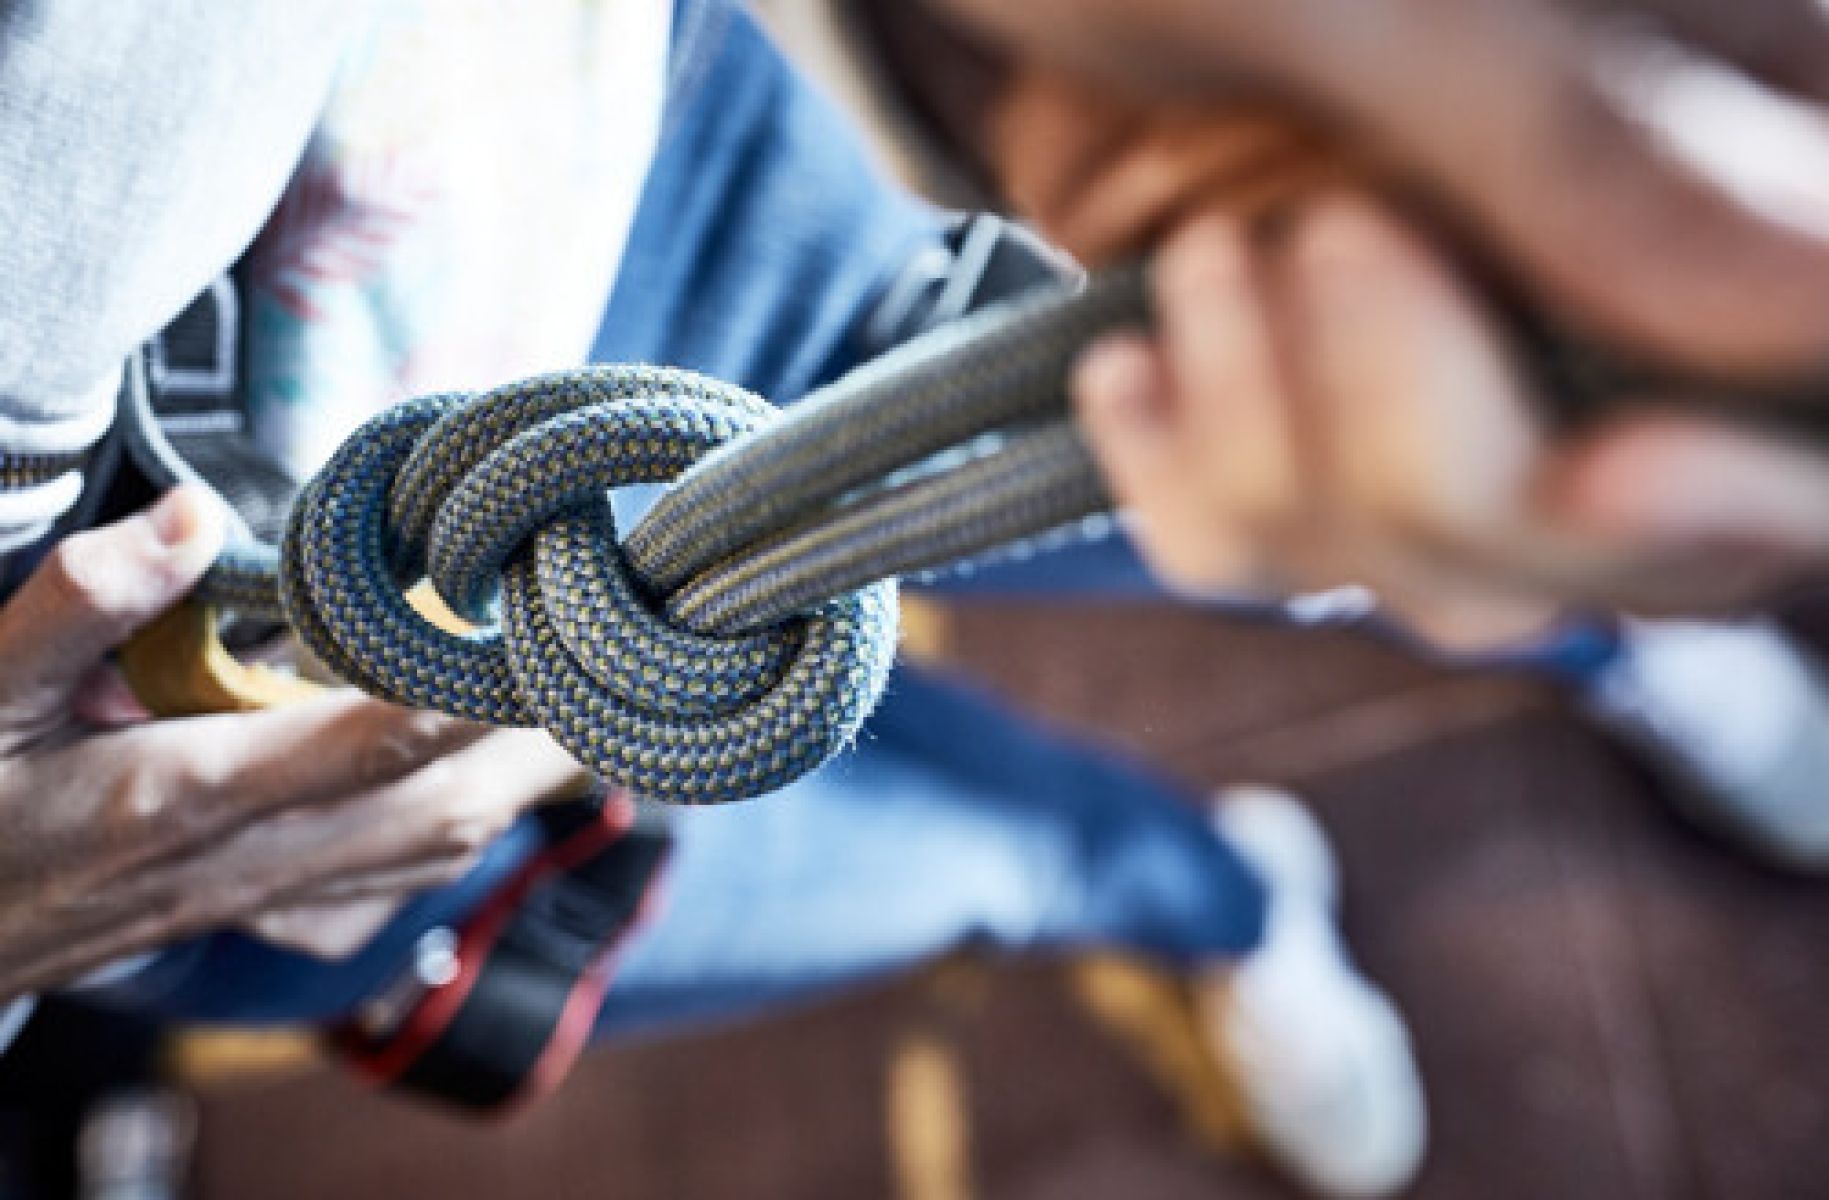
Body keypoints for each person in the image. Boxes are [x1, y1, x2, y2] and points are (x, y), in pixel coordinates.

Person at [5, 0, 1829, 1194]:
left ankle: (1601, 615)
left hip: (584, 163)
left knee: (1324, 461)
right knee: (989, 860)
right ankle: (1219, 905)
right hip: (168, 787)